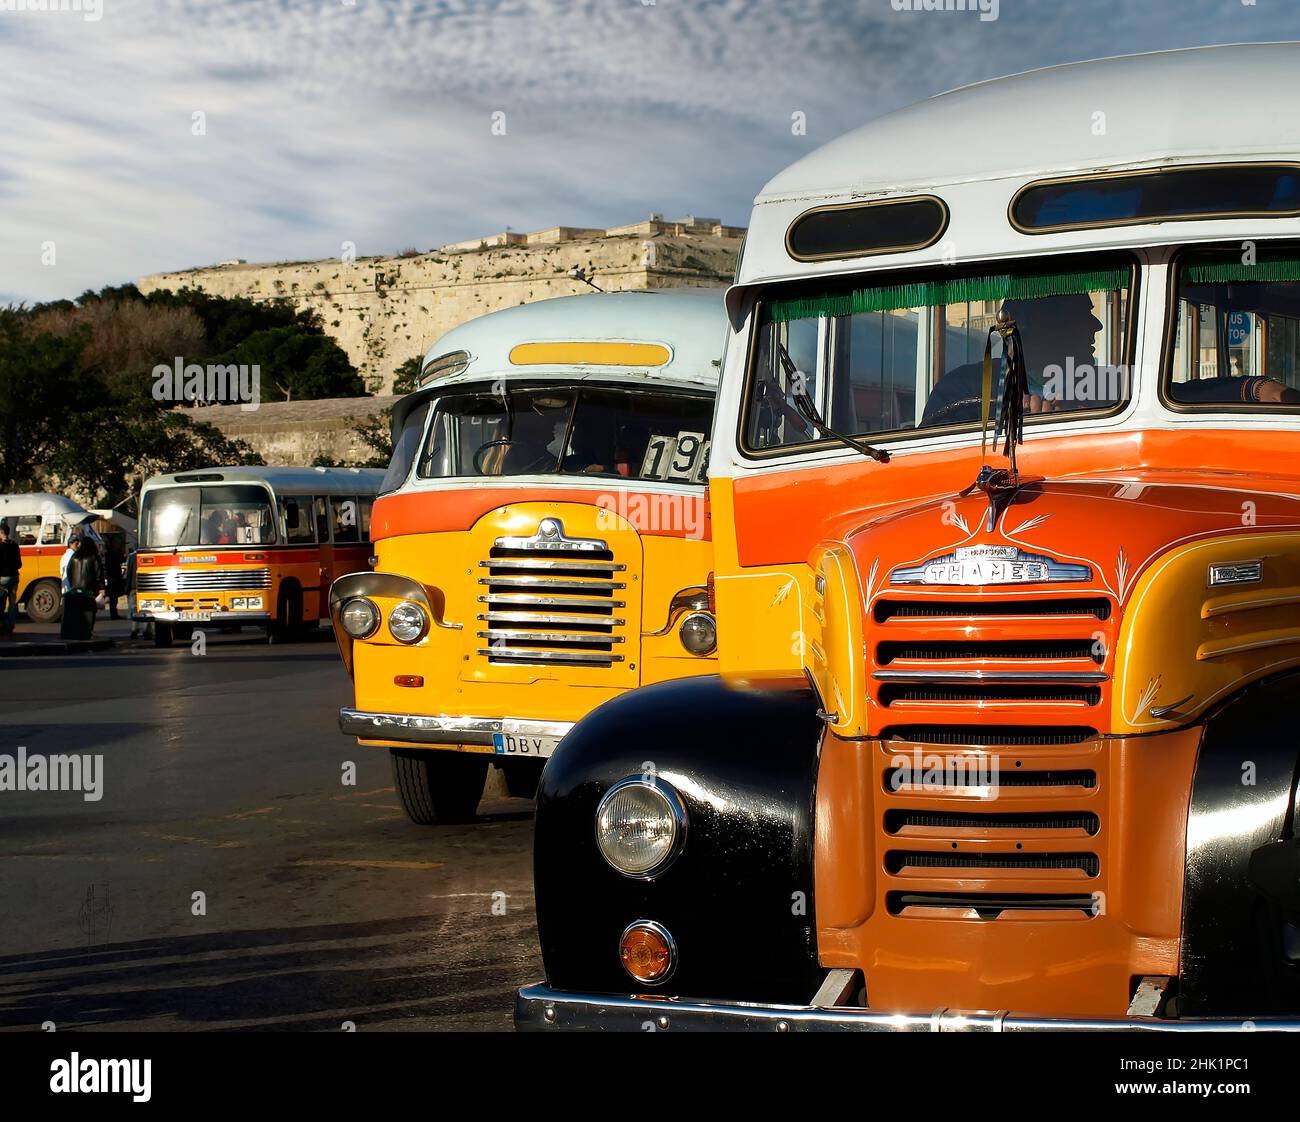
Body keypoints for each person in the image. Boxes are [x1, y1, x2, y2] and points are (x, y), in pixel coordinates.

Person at [921, 293, 1104, 427]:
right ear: (1029, 326)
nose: (1097, 325)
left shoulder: (1109, 388)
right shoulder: (963, 388)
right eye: (1080, 314)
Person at [60, 535, 105, 640]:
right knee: (90, 612)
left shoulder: (75, 556)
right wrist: (101, 587)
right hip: (89, 589)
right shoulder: (93, 557)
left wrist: (73, 584)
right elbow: (99, 574)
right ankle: (88, 632)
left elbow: (69, 572)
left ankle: (79, 632)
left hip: (76, 589)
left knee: (78, 613)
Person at [0, 521, 21, 635]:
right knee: (12, 602)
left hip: (3, 578)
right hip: (15, 577)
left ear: (1, 533)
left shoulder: (0, 546)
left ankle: (1, 623)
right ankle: (11, 625)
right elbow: (19, 564)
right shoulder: (15, 545)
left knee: (1, 600)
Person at [103, 536, 125, 621]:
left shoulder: (108, 554)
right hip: (114, 578)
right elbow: (122, 559)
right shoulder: (113, 554)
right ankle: (113, 614)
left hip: (111, 577)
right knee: (114, 598)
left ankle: (114, 613)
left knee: (114, 597)